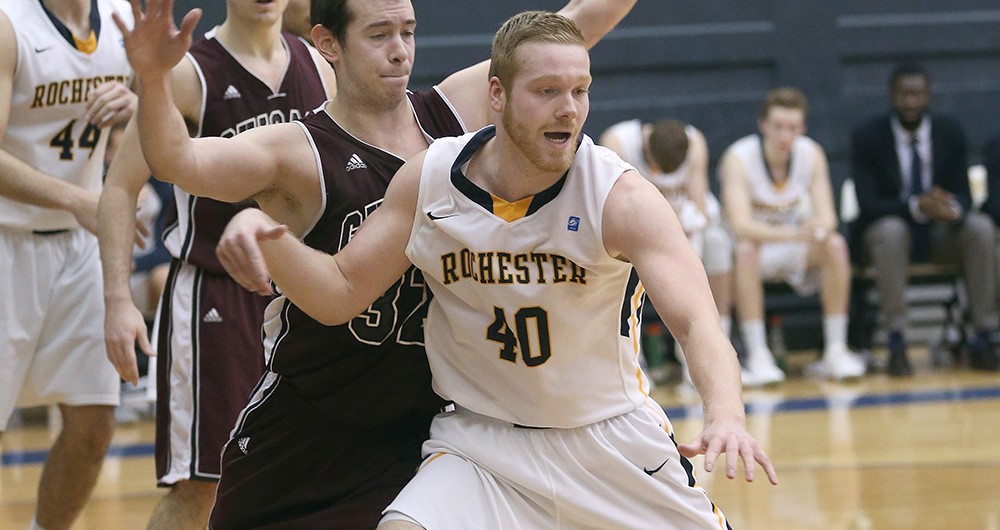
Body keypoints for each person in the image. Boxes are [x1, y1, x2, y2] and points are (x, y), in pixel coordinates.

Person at [216, 11, 778, 529]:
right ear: (497, 95)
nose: (570, 109)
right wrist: (271, 239)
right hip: (482, 444)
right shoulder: (432, 180)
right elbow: (339, 294)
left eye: (581, 91)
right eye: (547, 92)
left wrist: (724, 413)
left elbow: (697, 321)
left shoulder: (619, 198)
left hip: (609, 440)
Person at [114, 0, 635, 527]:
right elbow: (180, 161)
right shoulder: (299, 151)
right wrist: (155, 80)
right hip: (306, 423)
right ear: (328, 43)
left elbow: (575, 24)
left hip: (418, 428)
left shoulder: (447, 113)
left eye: (408, 32)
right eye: (379, 35)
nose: (400, 51)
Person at [99, 0, 336, 527]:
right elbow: (119, 188)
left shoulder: (320, 66)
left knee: (306, 475)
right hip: (214, 296)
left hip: (304, 293)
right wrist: (118, 299)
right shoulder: (188, 71)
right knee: (203, 488)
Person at [0, 1, 135, 529]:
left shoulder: (122, 15)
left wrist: (134, 99)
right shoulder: (11, 23)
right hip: (9, 238)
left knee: (95, 423)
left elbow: (163, 107)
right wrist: (77, 200)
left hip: (82, 245)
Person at [851, 63, 999, 375]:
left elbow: (964, 194)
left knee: (980, 227)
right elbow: (867, 204)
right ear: (892, 95)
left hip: (940, 235)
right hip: (890, 236)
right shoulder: (868, 136)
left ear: (928, 96)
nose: (910, 101)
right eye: (904, 94)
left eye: (917, 94)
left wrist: (951, 208)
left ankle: (984, 335)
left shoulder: (950, 131)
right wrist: (918, 206)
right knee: (891, 231)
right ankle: (896, 340)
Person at [720, 87, 866, 386]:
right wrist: (794, 233)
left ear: (803, 128)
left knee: (835, 245)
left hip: (790, 245)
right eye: (778, 127)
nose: (785, 135)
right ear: (763, 126)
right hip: (750, 255)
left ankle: (835, 350)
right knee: (746, 248)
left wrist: (818, 229)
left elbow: (829, 217)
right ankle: (758, 353)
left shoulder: (811, 154)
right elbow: (740, 226)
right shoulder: (738, 158)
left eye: (793, 128)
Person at [600, 118, 734, 384]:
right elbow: (612, 209)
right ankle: (628, 356)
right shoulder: (617, 142)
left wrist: (683, 228)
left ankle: (715, 344)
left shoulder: (695, 142)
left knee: (717, 243)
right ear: (646, 147)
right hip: (635, 232)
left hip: (681, 232)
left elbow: (700, 207)